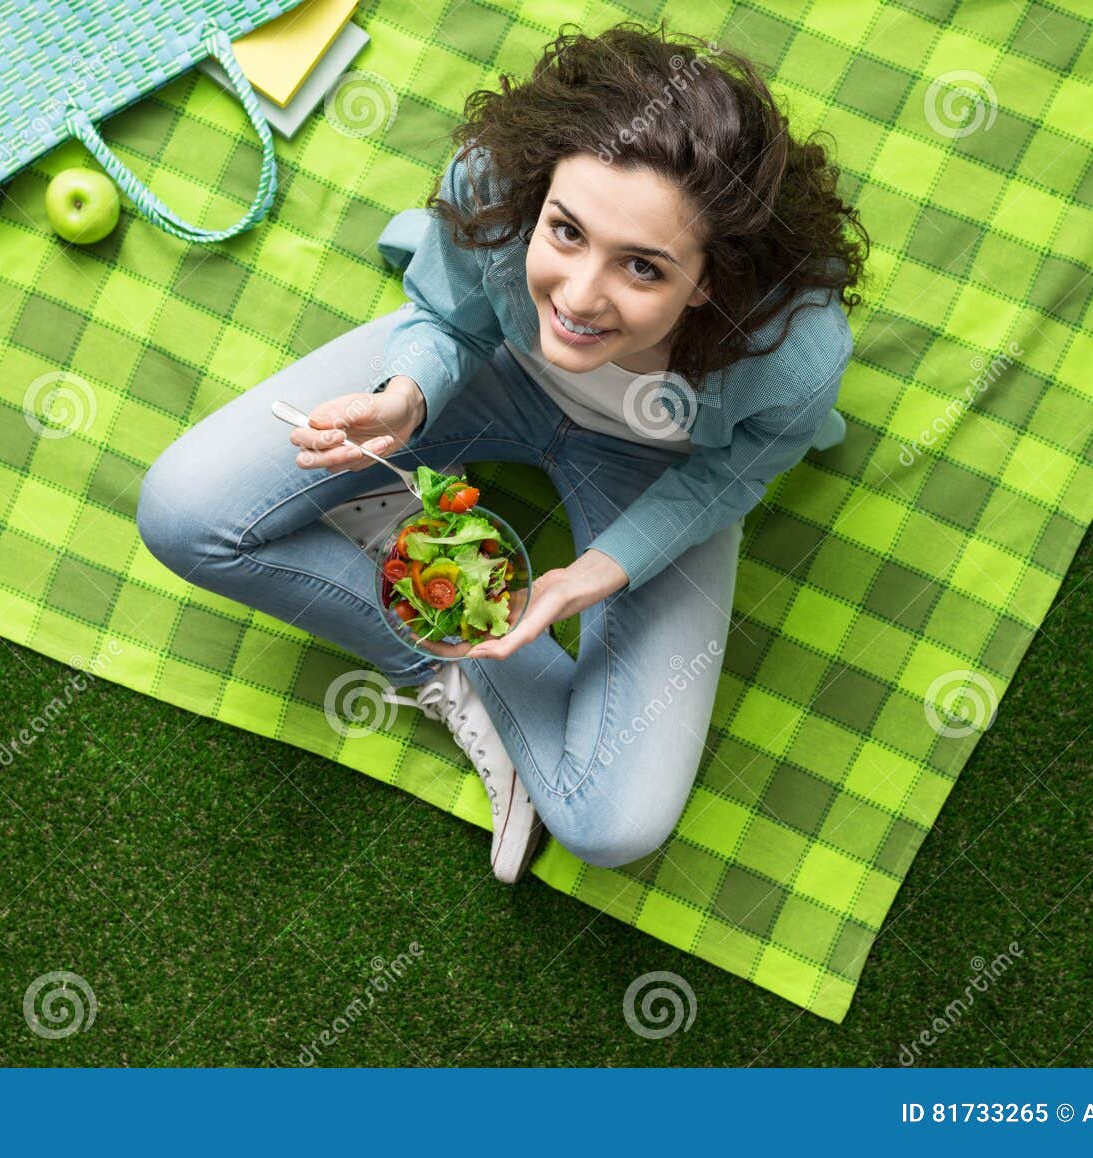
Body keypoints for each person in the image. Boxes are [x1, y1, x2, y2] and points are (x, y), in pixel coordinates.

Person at [137, 20, 867, 885]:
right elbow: (444, 318)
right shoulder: (495, 179)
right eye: (565, 233)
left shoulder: (793, 353)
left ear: (709, 280)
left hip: (656, 467)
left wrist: (595, 572)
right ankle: (439, 653)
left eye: (643, 269)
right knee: (181, 514)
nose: (580, 299)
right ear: (540, 196)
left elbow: (729, 479)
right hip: (487, 374)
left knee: (610, 826)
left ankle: (438, 591)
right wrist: (404, 395)